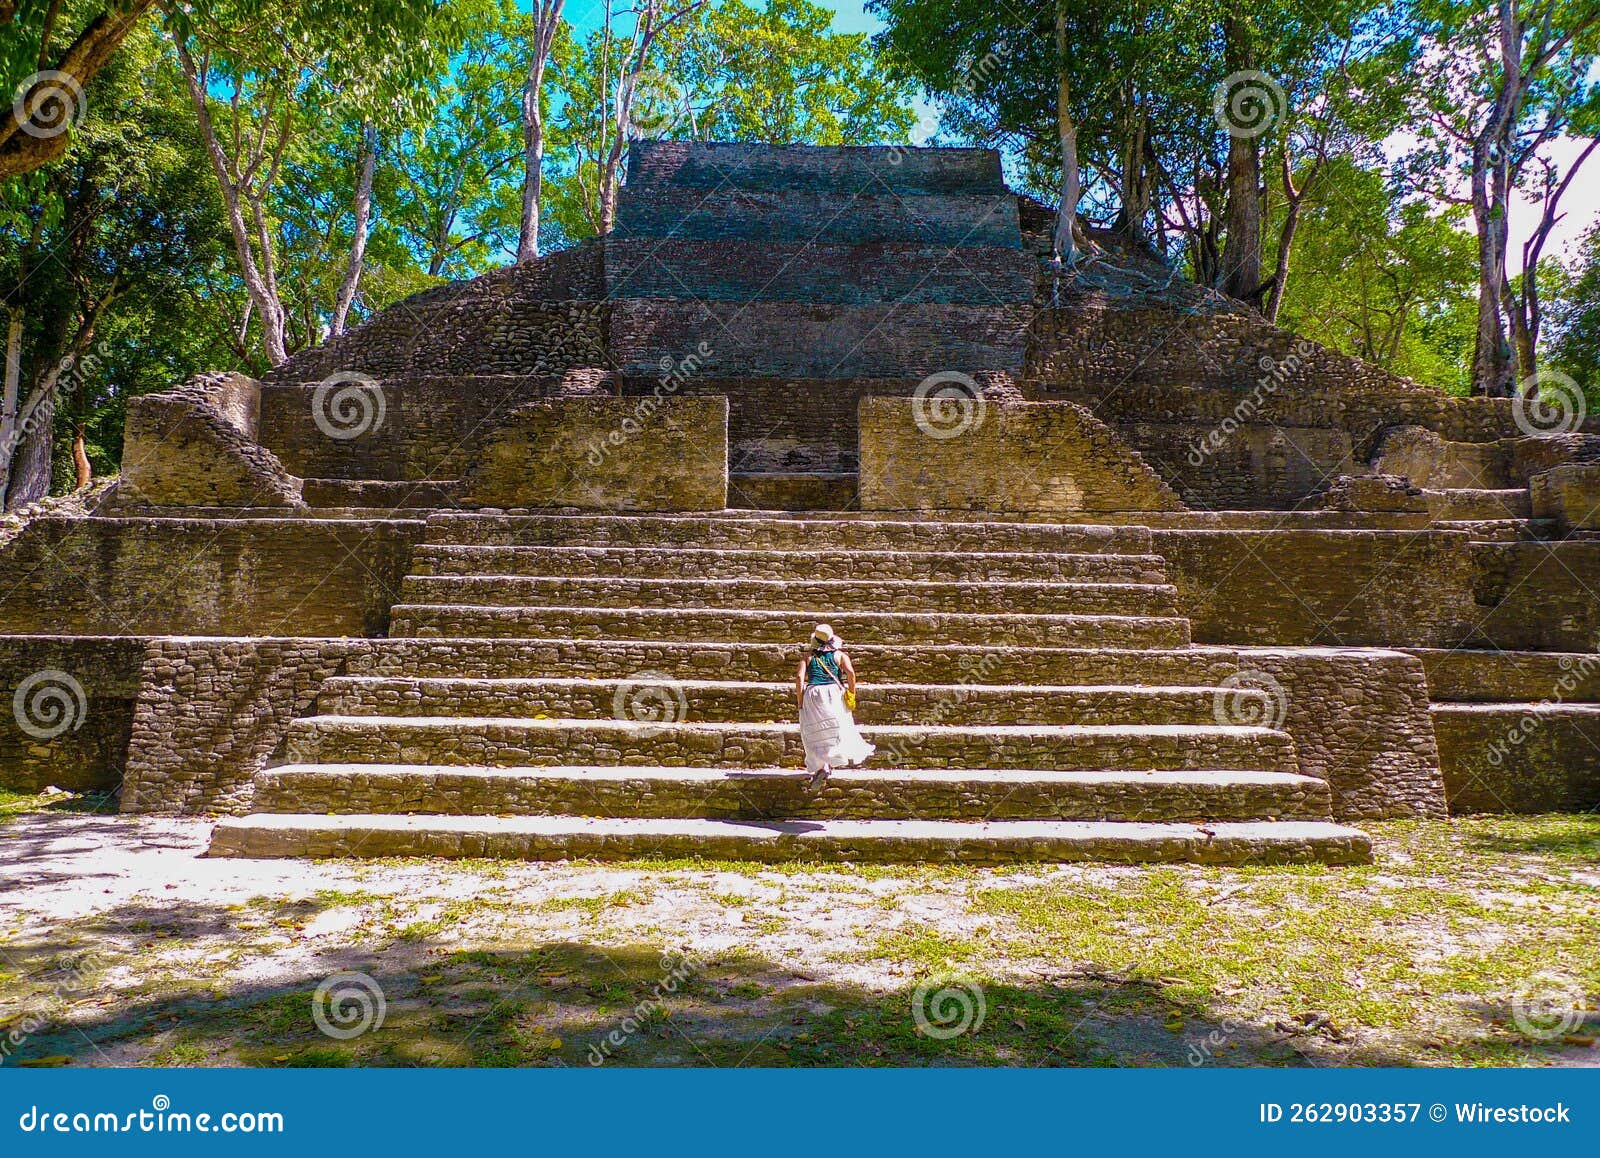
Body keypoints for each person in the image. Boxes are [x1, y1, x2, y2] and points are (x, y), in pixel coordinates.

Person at [795, 623, 874, 789]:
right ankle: (830, 762)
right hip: (834, 693)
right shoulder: (840, 655)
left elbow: (799, 678)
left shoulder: (808, 657)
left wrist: (800, 700)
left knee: (814, 732)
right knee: (835, 729)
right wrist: (851, 692)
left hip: (813, 692)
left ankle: (821, 765)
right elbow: (851, 673)